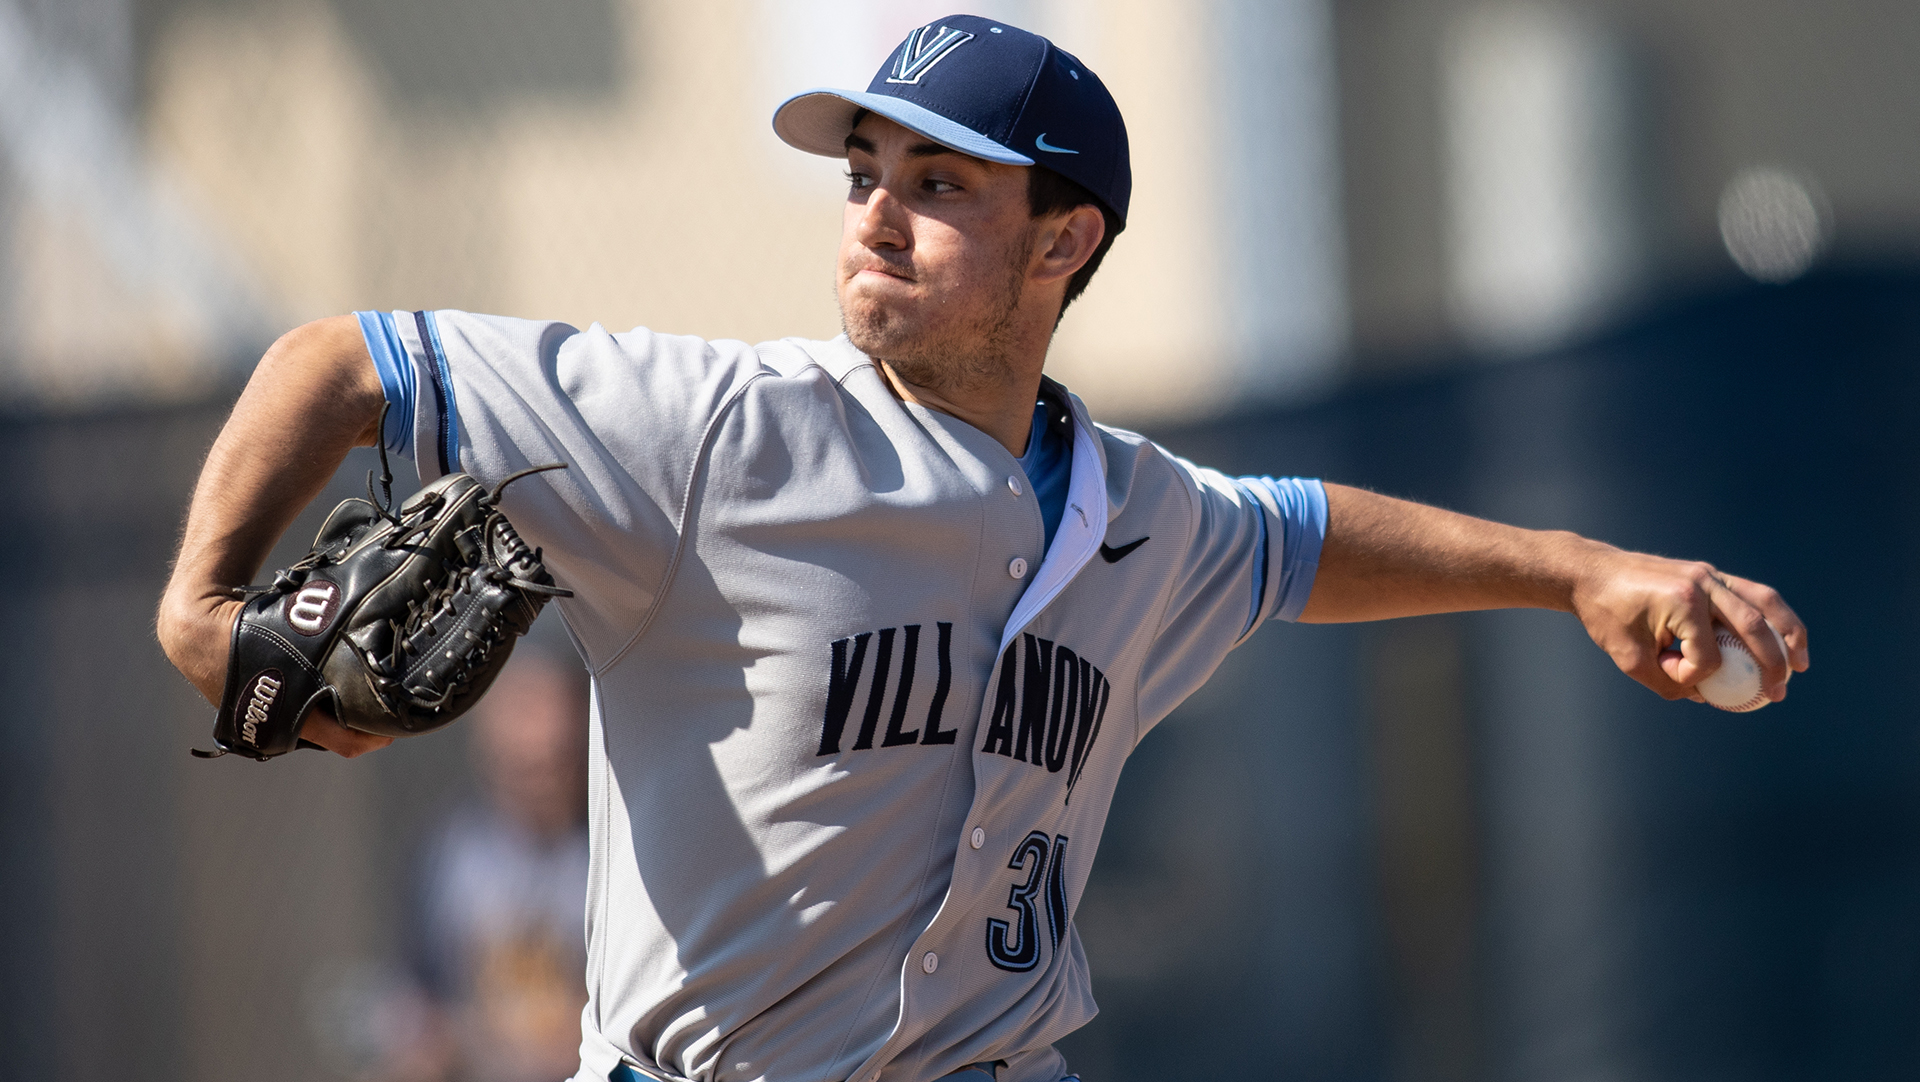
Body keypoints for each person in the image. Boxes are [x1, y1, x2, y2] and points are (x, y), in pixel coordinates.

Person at [156, 15, 1809, 1082]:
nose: (872, 210)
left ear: (1063, 240)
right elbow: (342, 360)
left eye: (936, 183)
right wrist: (201, 606)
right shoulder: (717, 434)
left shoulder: (1139, 513)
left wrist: (1580, 568)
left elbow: (1305, 541)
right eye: (864, 171)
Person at [390, 647, 592, 1082]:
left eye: (552, 763)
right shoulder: (448, 853)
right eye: (520, 766)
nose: (533, 749)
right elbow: (421, 1004)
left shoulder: (613, 858)